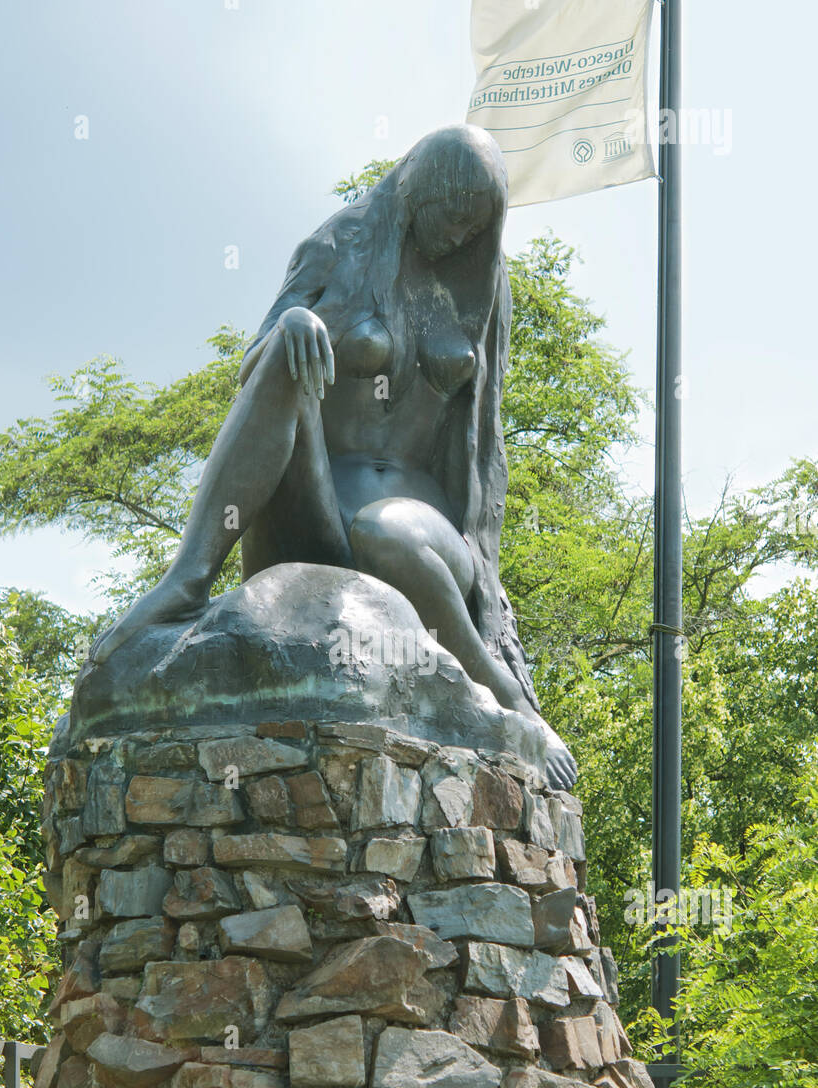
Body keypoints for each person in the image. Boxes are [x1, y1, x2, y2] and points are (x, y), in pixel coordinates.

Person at [92, 125, 577, 789]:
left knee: (382, 530)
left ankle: (497, 694)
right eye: (452, 217)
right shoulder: (338, 245)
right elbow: (257, 380)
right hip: (318, 518)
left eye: (476, 228)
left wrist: (489, 594)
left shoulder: (483, 289)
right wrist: (290, 329)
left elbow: (486, 448)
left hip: (421, 535)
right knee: (289, 343)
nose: (460, 237)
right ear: (416, 193)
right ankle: (188, 577)